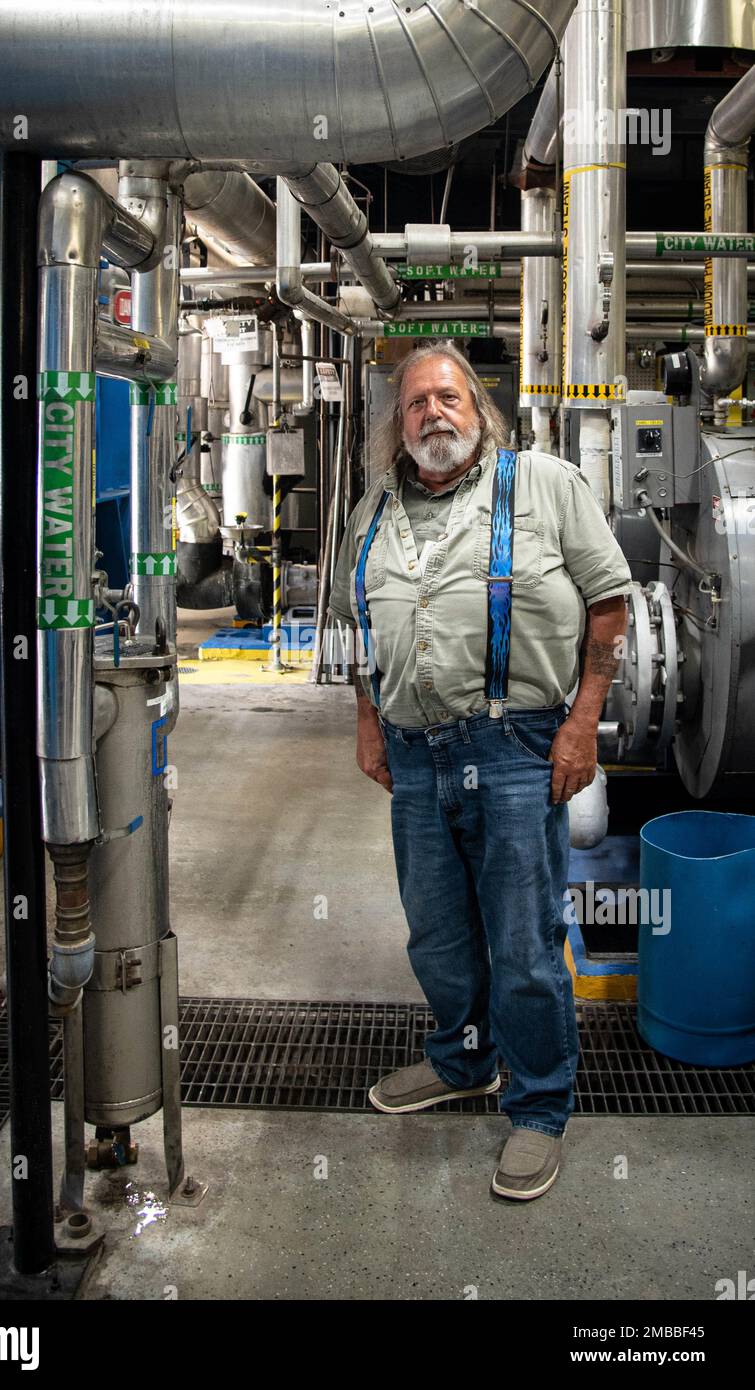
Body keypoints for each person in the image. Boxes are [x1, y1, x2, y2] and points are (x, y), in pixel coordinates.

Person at [327, 342, 631, 1200]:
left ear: (478, 410)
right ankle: (462, 1062)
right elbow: (359, 625)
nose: (432, 412)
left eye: (448, 397)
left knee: (523, 940)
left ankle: (538, 1108)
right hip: (416, 752)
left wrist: (581, 725)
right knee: (436, 932)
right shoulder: (376, 505)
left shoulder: (543, 484)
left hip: (514, 748)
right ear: (399, 421)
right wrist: (367, 721)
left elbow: (608, 605)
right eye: (416, 401)